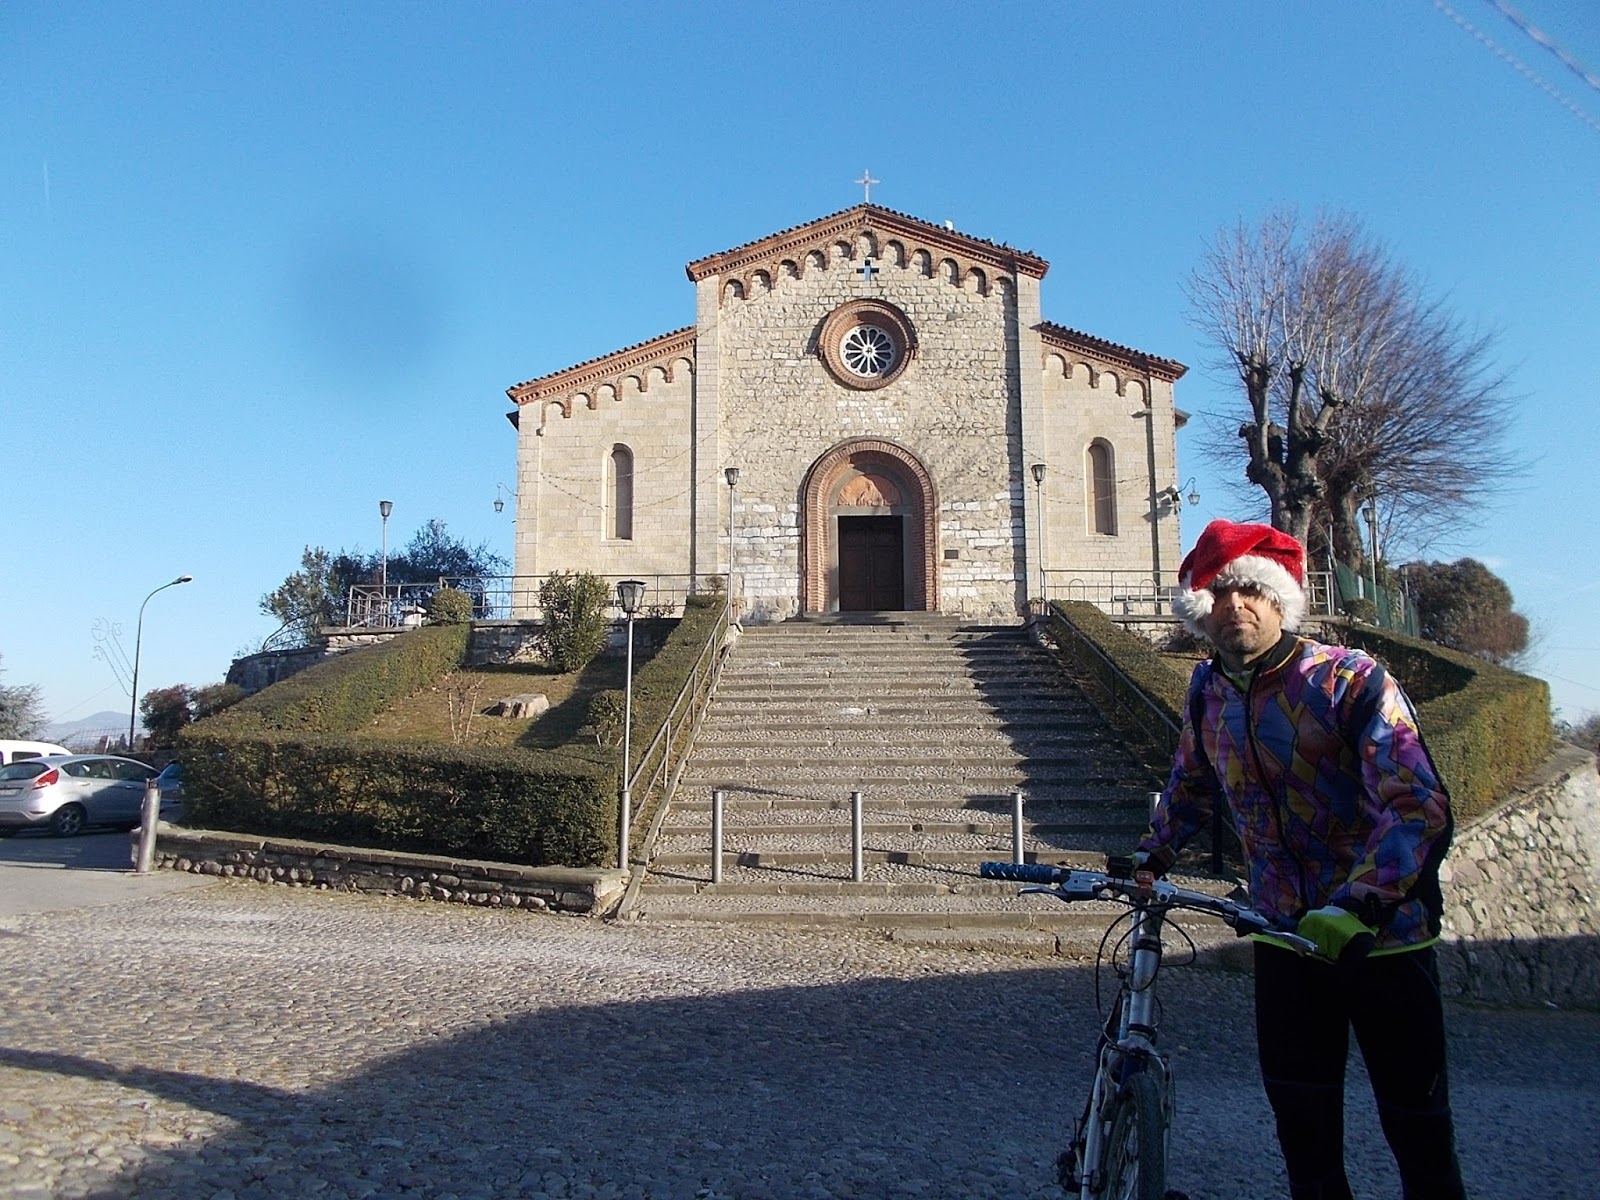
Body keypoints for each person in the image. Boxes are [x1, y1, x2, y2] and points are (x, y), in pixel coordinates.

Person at [1135, 519, 1466, 1200]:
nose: (1237, 606)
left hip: (1383, 943)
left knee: (1420, 1137)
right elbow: (1191, 785)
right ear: (1202, 607)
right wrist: (1151, 855)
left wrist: (1362, 901)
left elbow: (1419, 805)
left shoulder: (1348, 679)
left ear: (1280, 597)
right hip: (1284, 938)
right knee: (1305, 1141)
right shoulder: (1208, 691)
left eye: (1252, 590)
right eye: (1220, 593)